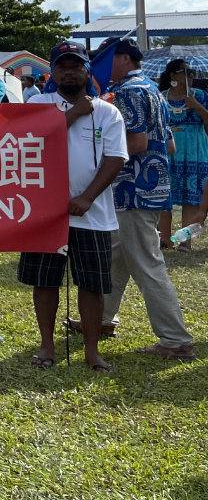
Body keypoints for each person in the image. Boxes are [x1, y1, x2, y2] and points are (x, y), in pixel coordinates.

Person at [18, 42, 127, 372]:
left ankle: (91, 351)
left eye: (76, 66)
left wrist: (87, 198)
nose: (69, 71)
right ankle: (47, 345)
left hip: (92, 214)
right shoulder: (37, 103)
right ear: (51, 71)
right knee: (46, 282)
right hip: (44, 215)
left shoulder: (108, 111)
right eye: (62, 66)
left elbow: (116, 158)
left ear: (87, 70)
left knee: (92, 286)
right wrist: (73, 114)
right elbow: (29, 143)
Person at [97, 40, 195, 359]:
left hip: (132, 190)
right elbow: (168, 146)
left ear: (124, 58)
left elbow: (135, 143)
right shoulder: (152, 88)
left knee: (146, 263)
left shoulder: (127, 91)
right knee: (115, 257)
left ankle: (175, 339)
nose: (101, 65)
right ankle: (101, 319)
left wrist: (96, 153)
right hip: (149, 187)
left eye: (106, 59)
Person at [159, 59, 208, 249]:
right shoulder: (161, 96)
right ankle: (164, 239)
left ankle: (184, 241)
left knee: (192, 196)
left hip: (196, 149)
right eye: (185, 72)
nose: (190, 76)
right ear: (172, 76)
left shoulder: (201, 96)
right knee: (164, 194)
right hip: (169, 148)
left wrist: (197, 106)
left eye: (192, 72)